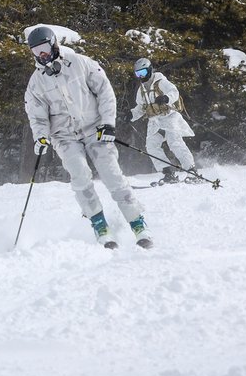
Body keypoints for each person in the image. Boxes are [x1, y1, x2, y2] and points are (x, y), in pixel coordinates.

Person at [23, 26, 152, 248]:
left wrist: (108, 124)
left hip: (95, 129)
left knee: (112, 175)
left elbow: (105, 92)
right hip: (64, 136)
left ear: (53, 44)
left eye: (44, 48)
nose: (42, 55)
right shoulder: (36, 82)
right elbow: (37, 116)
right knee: (80, 177)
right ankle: (100, 225)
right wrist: (41, 137)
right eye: (36, 52)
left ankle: (138, 223)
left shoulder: (80, 63)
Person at [129, 57, 196, 184]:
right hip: (154, 121)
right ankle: (168, 173)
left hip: (169, 117)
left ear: (149, 70)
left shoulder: (161, 82)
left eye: (142, 73)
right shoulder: (141, 90)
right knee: (151, 146)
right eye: (138, 74)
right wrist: (131, 115)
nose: (141, 76)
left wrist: (166, 98)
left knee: (174, 142)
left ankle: (192, 171)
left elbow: (174, 92)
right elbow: (141, 108)